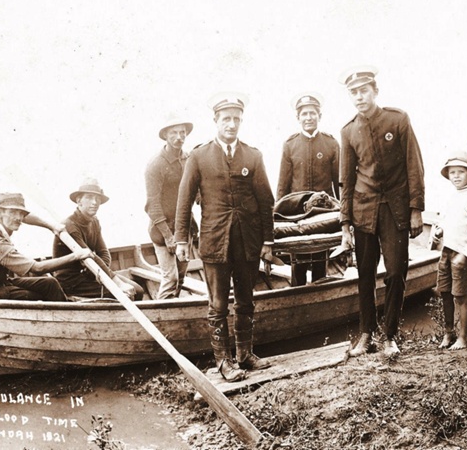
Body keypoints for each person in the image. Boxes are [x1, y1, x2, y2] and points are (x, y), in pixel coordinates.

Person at [175, 93, 275, 382]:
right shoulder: (198, 156)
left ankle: (245, 354)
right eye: (226, 119)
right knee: (217, 305)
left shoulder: (252, 155)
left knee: (245, 301)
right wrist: (181, 240)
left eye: (236, 119)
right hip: (215, 242)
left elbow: (265, 201)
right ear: (216, 121)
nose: (231, 124)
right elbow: (183, 201)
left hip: (248, 241)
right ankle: (223, 361)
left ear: (241, 121)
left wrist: (267, 241)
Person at [338, 66, 426, 359]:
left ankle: (389, 335)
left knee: (396, 272)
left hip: (395, 210)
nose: (359, 96)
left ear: (375, 91)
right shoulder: (348, 131)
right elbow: (346, 181)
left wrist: (416, 210)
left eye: (364, 90)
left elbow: (414, 166)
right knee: (364, 275)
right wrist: (345, 224)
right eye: (354, 92)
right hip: (364, 211)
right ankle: (366, 334)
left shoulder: (397, 120)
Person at [0, 192, 92, 301]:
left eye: (21, 213)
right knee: (39, 296)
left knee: (50, 283)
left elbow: (26, 217)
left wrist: (52, 227)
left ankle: (65, 314)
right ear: (0, 213)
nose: (18, 218)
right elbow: (38, 268)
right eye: (13, 212)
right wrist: (77, 255)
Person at [277, 92, 340, 286]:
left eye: (312, 113)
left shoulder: (330, 143)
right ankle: (297, 293)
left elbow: (340, 183)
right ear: (298, 118)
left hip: (324, 213)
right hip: (297, 215)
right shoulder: (290, 145)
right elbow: (283, 185)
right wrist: (278, 215)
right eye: (304, 114)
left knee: (321, 257)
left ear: (319, 116)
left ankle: (320, 292)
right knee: (299, 260)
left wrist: (344, 211)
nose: (308, 118)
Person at [432, 151, 467, 351]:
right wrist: (438, 230)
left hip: (462, 255)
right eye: (452, 172)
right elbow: (445, 221)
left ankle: (463, 338)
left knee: (460, 296)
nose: (455, 176)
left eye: (460, 172)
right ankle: (449, 333)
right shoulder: (451, 197)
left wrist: (466, 254)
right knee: (444, 292)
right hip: (447, 252)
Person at [53, 179, 140, 300]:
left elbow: (103, 252)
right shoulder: (69, 226)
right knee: (126, 294)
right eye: (89, 197)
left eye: (97, 198)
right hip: (72, 282)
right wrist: (118, 284)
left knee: (137, 290)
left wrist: (102, 274)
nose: (95, 202)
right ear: (79, 201)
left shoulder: (94, 221)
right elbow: (88, 256)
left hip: (90, 274)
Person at [145, 116, 199, 299]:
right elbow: (152, 205)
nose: (179, 137)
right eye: (174, 133)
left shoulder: (189, 159)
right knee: (171, 278)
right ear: (165, 136)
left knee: (181, 277)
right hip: (163, 231)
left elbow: (196, 189)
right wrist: (168, 236)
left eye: (182, 132)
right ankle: (160, 316)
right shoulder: (155, 165)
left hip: (185, 228)